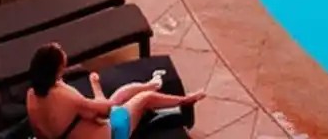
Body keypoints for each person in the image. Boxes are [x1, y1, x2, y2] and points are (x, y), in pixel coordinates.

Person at [26, 43, 204, 139]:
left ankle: (151, 84)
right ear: (56, 70)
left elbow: (40, 133)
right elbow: (106, 110)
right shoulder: (65, 97)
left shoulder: (31, 96)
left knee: (120, 95)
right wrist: (95, 85)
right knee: (144, 99)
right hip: (113, 134)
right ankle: (184, 100)